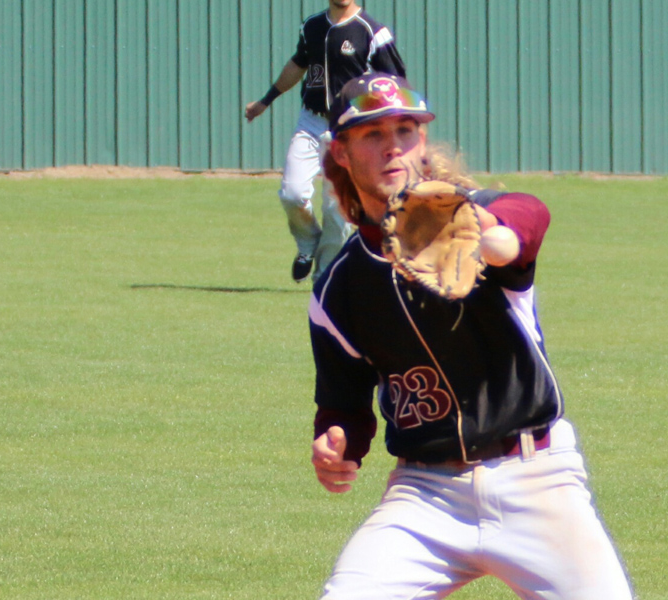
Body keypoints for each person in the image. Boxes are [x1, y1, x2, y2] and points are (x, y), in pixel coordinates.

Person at [307, 71, 634, 600]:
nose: (394, 147)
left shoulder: (472, 220)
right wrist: (337, 439)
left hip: (537, 480)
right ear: (341, 153)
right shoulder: (337, 289)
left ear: (424, 142)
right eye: (373, 134)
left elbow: (528, 214)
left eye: (406, 130)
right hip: (426, 497)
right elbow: (343, 400)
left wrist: (492, 230)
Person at [244, 0, 406, 282]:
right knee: (292, 194)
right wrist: (265, 101)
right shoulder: (312, 26)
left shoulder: (372, 31)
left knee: (337, 210)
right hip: (311, 120)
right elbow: (298, 63)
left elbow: (395, 82)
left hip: (349, 129)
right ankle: (307, 242)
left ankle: (323, 280)